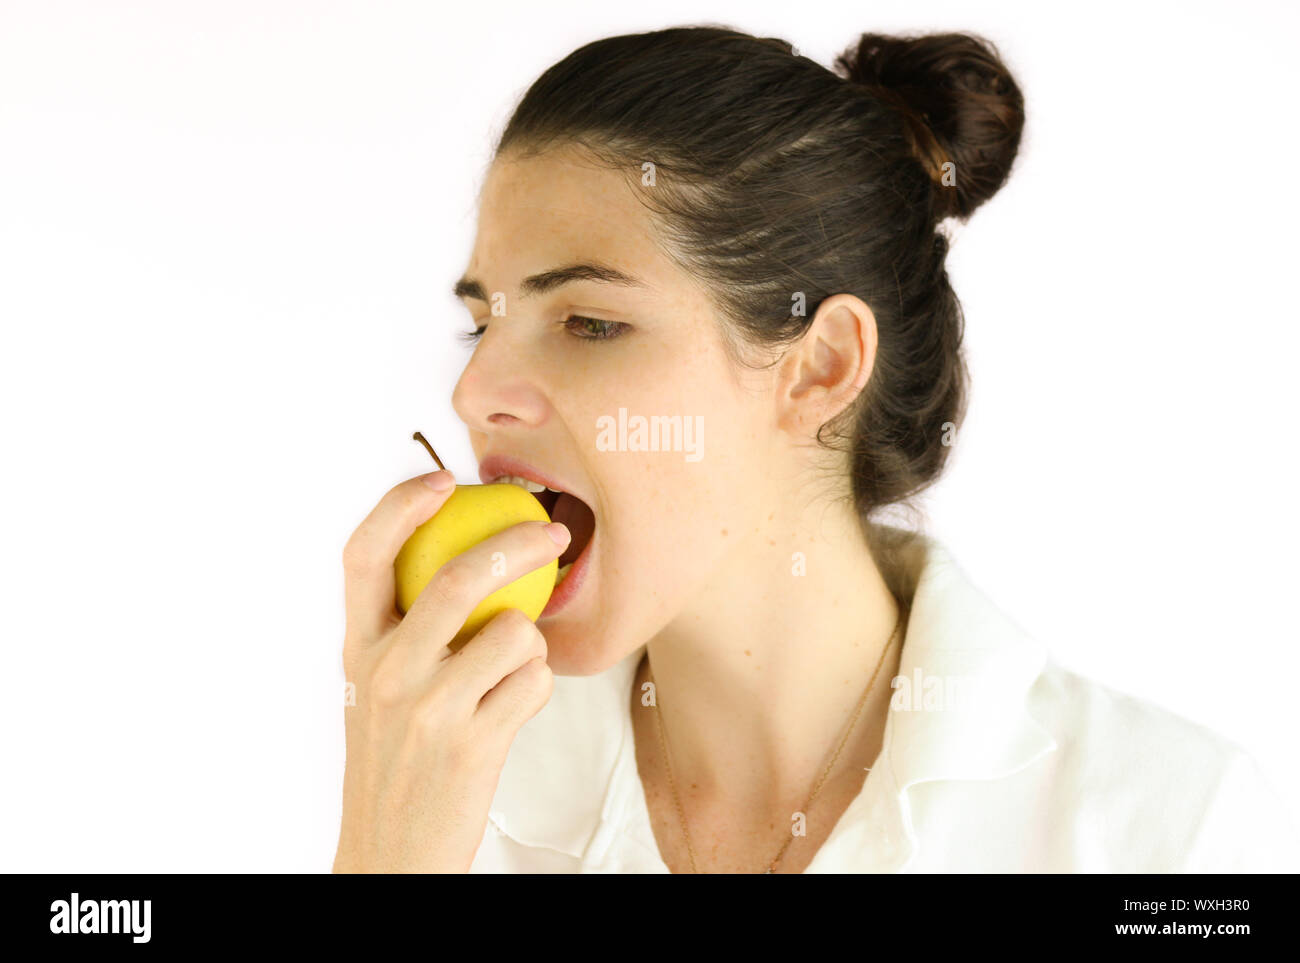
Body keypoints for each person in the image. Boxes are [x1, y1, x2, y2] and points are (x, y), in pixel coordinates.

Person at [333, 25, 1299, 873]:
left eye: (587, 321)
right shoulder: (438, 792)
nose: (473, 394)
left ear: (821, 366)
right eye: (481, 327)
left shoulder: (1175, 834)